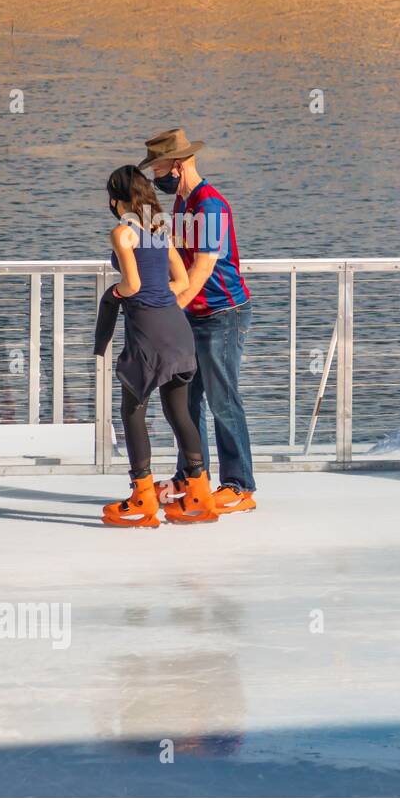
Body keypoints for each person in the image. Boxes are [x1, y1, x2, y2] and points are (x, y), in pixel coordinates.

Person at [139, 129, 257, 515]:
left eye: (157, 168)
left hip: (223, 313)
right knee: (187, 403)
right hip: (193, 314)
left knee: (223, 400)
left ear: (177, 164)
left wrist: (173, 309)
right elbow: (180, 261)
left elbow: (204, 267)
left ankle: (239, 486)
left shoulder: (210, 205)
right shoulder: (183, 204)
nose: (156, 176)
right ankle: (192, 478)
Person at [98, 166, 217, 526]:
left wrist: (115, 294)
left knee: (133, 409)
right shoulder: (159, 230)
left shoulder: (122, 233)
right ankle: (199, 494)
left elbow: (131, 284)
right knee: (179, 412)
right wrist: (164, 304)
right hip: (177, 327)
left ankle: (143, 498)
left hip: (147, 333)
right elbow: (181, 279)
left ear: (116, 199)